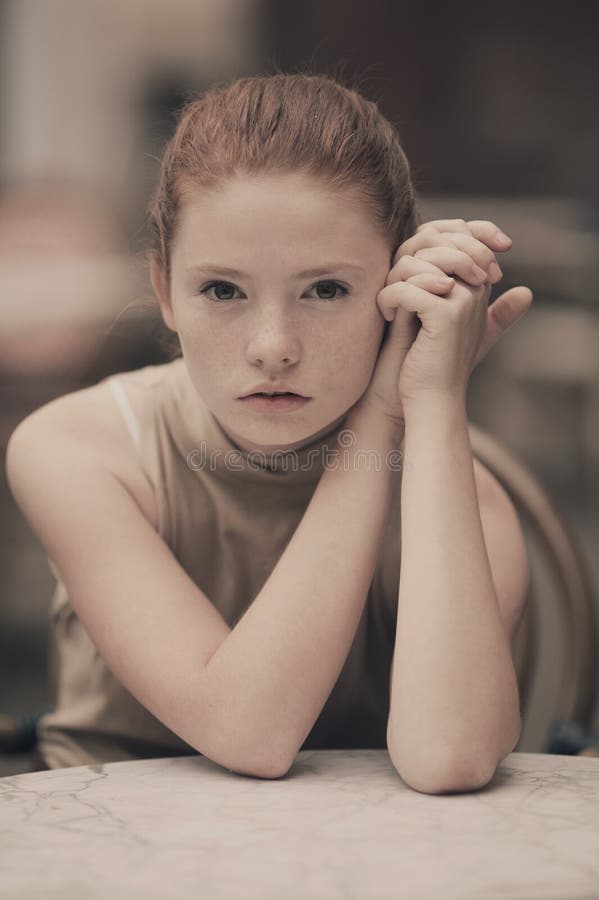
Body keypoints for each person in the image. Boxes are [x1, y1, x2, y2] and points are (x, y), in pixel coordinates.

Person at [6, 72, 532, 794]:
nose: (272, 346)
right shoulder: (77, 449)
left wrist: (433, 401)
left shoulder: (461, 492)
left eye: (325, 290)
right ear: (163, 291)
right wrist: (379, 416)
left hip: (369, 866)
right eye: (222, 290)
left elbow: (450, 757)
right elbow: (248, 730)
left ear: (395, 290)